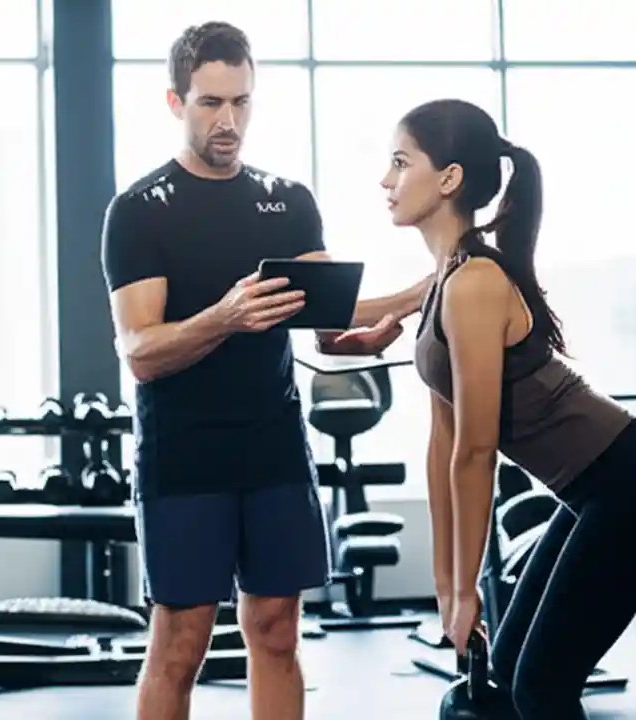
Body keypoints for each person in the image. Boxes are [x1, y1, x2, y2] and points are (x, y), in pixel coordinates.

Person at [101, 22, 429, 720]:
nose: (228, 121)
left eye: (241, 102)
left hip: (275, 449)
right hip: (184, 458)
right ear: (174, 102)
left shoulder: (286, 200)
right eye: (211, 103)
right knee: (180, 645)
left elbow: (330, 318)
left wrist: (408, 300)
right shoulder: (138, 212)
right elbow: (139, 352)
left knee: (277, 629)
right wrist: (223, 317)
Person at [382, 98, 636, 719]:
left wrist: (471, 588)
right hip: (594, 491)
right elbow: (442, 445)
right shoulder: (446, 275)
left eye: (399, 162)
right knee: (505, 681)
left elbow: (476, 454)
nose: (385, 180)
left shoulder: (473, 283)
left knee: (542, 690)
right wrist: (446, 587)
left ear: (448, 179)